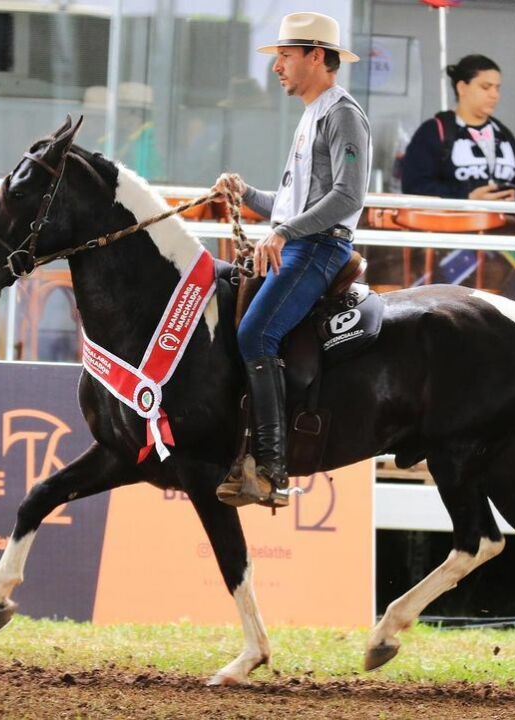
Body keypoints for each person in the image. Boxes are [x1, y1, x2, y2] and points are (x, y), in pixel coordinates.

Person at [211, 12, 371, 508]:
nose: (277, 66)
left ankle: (272, 466)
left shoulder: (341, 114)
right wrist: (246, 193)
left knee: (255, 333)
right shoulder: (314, 113)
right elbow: (291, 206)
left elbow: (348, 197)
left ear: (316, 57)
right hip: (304, 241)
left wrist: (282, 230)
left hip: (319, 247)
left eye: (285, 55)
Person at [401, 54, 515, 285]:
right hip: (446, 245)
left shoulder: (503, 134)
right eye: (486, 87)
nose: (495, 95)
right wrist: (466, 196)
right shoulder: (433, 132)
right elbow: (414, 187)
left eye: (498, 88)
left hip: (502, 245)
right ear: (462, 87)